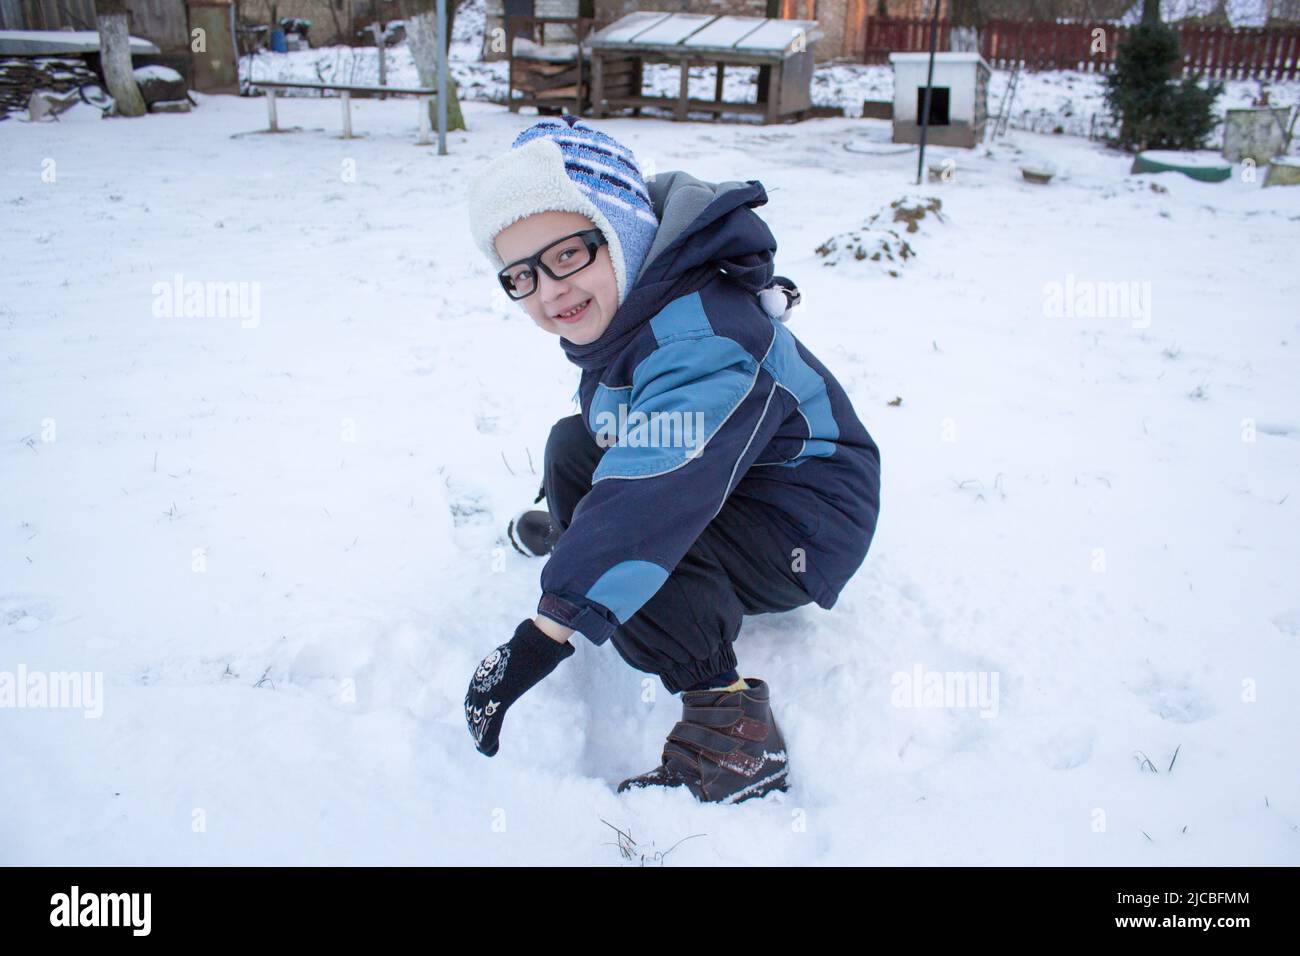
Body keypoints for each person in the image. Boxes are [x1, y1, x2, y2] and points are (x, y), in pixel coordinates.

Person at [463, 115, 881, 804]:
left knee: (641, 530)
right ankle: (582, 544)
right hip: (746, 485)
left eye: (567, 255)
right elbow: (630, 431)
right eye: (521, 275)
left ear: (622, 232)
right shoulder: (643, 295)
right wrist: (581, 534)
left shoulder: (701, 336)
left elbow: (653, 492)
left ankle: (732, 736)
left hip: (804, 530)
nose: (548, 292)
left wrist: (545, 631)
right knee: (574, 447)